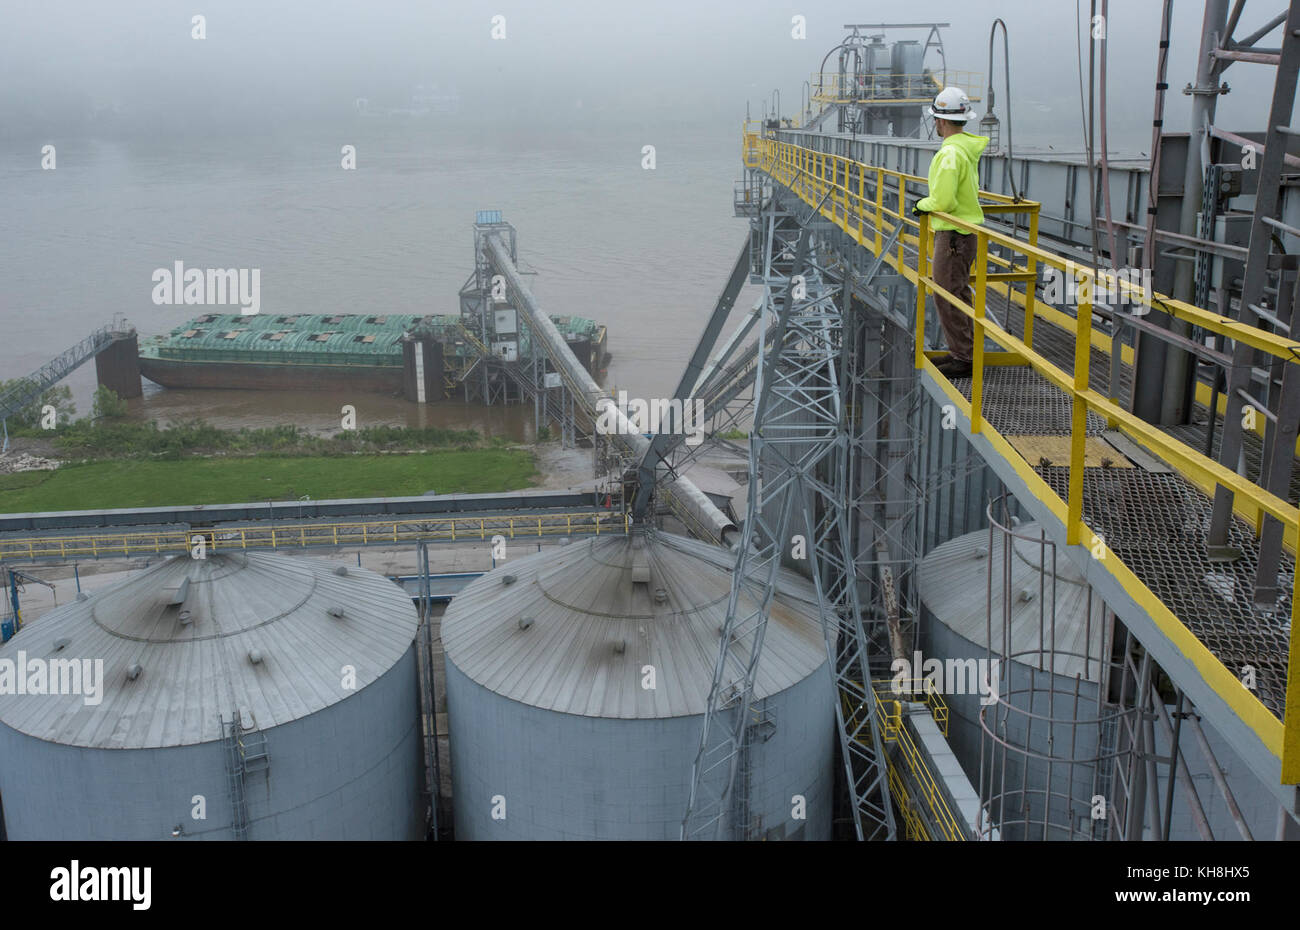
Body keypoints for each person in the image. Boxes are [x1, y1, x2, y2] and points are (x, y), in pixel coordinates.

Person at [912, 87, 989, 379]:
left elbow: (944, 202)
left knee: (946, 295)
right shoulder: (964, 150)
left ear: (940, 122)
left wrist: (921, 205)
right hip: (965, 234)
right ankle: (962, 351)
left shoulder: (949, 154)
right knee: (956, 293)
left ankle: (964, 358)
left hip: (954, 236)